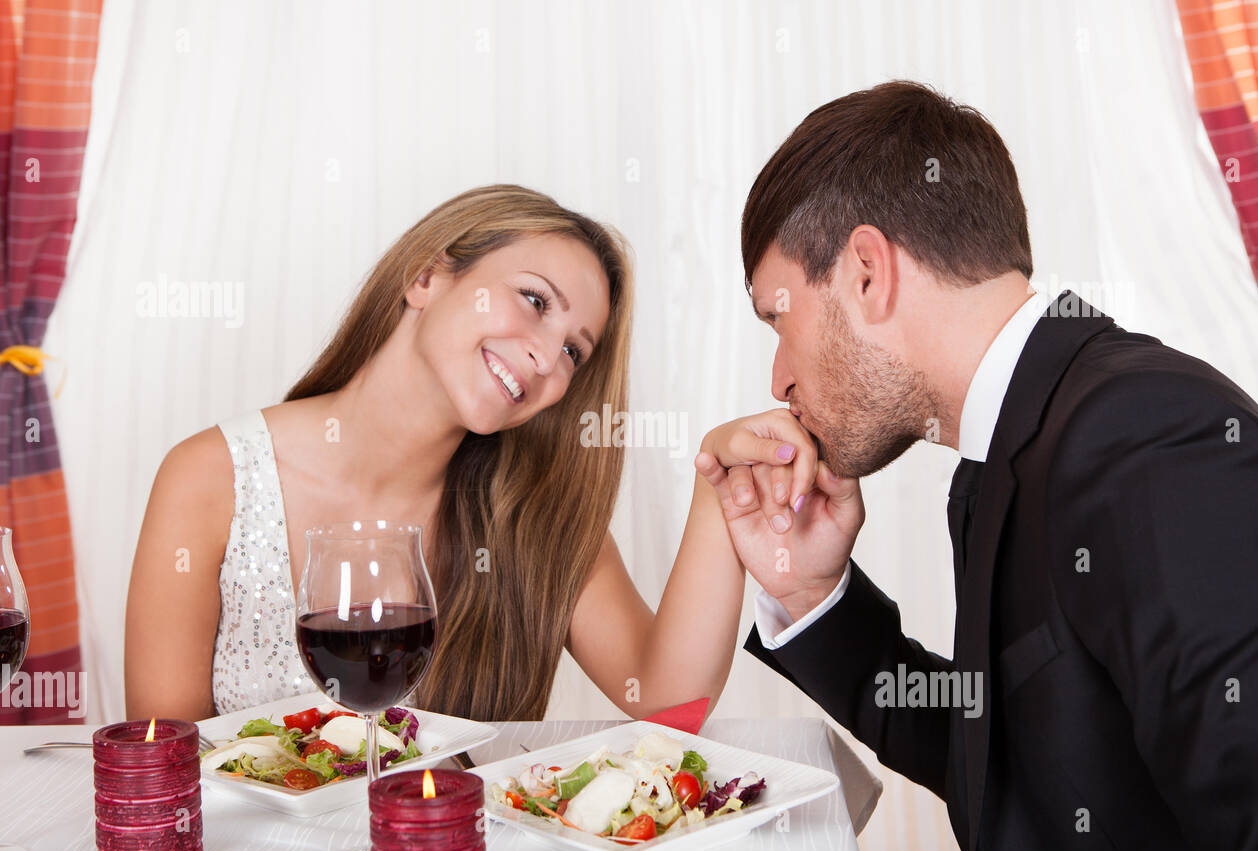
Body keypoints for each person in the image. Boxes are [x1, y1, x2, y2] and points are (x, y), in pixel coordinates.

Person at [694, 81, 1258, 851]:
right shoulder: (1019, 441)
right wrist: (812, 596)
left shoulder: (1148, 436)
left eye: (780, 318)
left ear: (867, 273)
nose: (778, 379)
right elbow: (1019, 775)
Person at [126, 184, 818, 724]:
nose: (548, 355)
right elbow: (161, 769)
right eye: (533, 299)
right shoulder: (210, 480)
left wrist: (718, 488)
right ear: (427, 277)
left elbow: (670, 701)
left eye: (575, 351)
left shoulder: (531, 514)